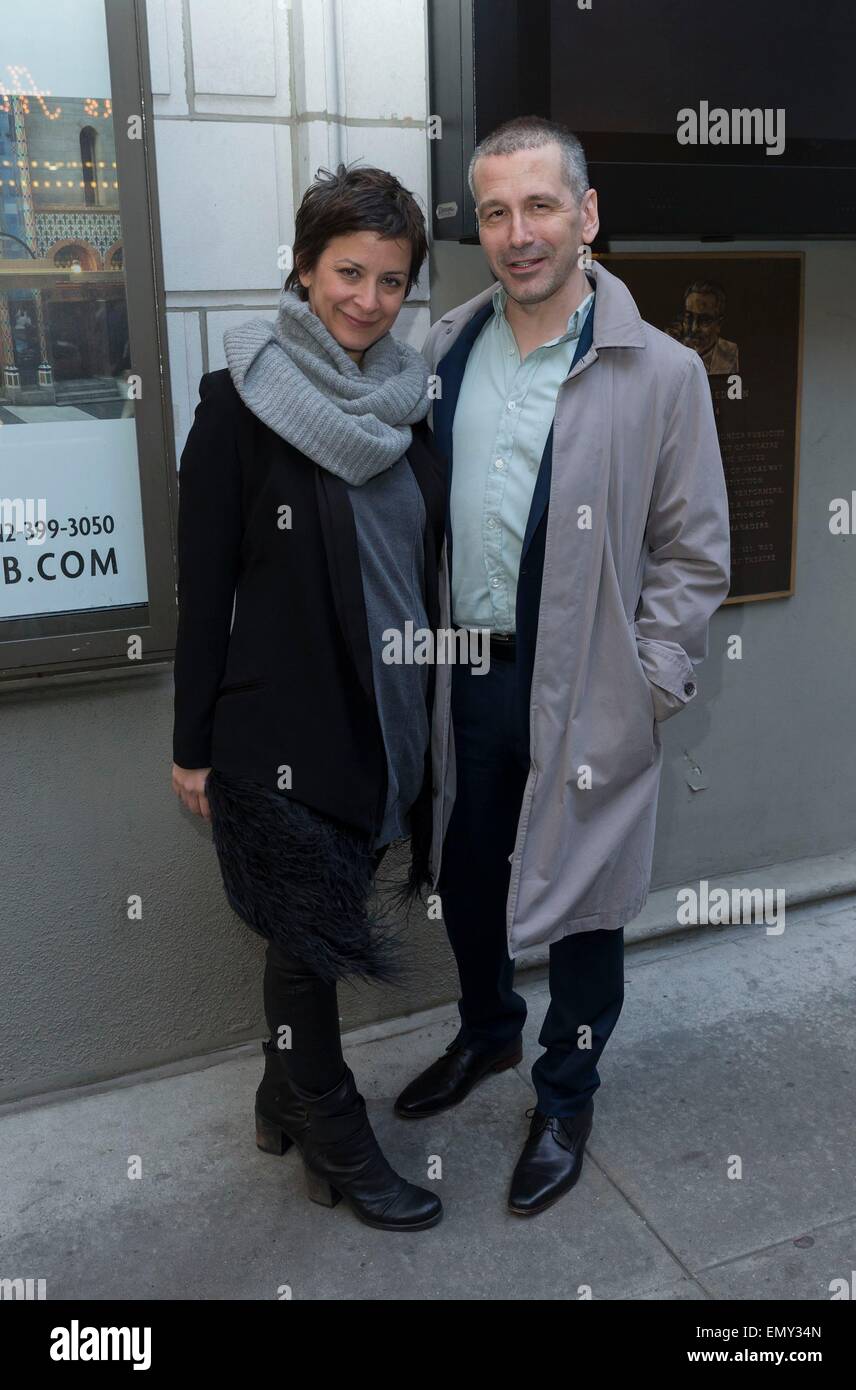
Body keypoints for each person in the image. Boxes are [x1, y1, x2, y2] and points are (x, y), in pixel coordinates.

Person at [395, 116, 731, 1217]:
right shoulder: (445, 348)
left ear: (586, 216)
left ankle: (564, 1090)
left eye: (539, 206)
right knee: (472, 873)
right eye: (494, 211)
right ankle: (488, 1030)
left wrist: (651, 679)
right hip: (472, 679)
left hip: (590, 687)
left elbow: (692, 549)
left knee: (585, 904)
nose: (516, 232)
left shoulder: (658, 369)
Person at [171, 164, 447, 1232]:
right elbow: (205, 592)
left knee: (303, 940)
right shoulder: (237, 402)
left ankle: (280, 1095)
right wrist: (191, 746)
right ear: (302, 267)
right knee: (308, 941)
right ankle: (336, 1137)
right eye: (346, 272)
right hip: (279, 729)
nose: (366, 300)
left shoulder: (404, 401)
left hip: (385, 723)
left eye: (389, 280)